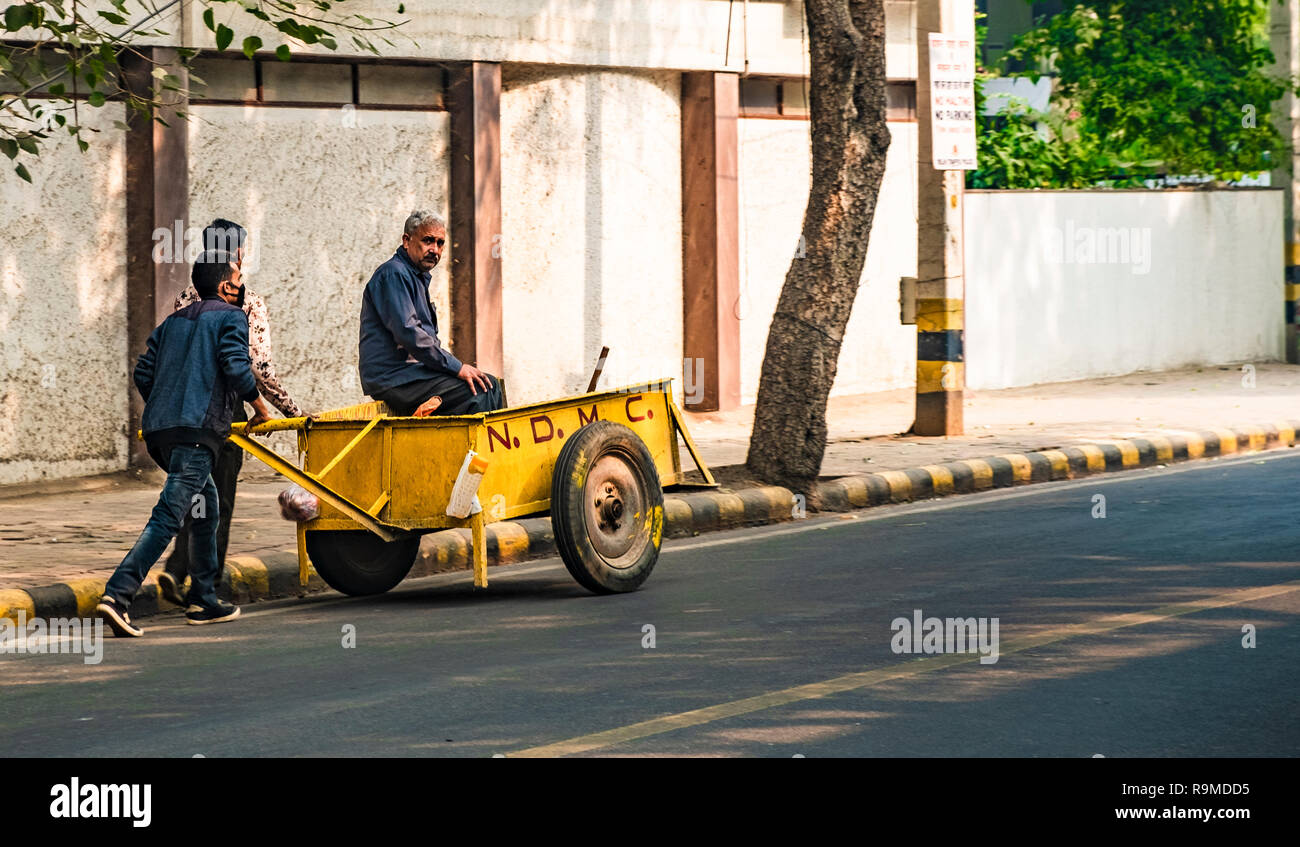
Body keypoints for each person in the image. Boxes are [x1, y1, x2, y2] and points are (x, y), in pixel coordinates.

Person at [96, 250, 273, 637]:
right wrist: (259, 408)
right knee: (168, 516)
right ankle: (118, 595)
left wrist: (165, 404)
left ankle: (204, 599)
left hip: (162, 433)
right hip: (197, 435)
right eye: (239, 278)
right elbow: (235, 364)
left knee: (205, 507)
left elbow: (144, 371)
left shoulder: (171, 323)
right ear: (227, 286)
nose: (243, 285)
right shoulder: (231, 317)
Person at [156, 219, 306, 608]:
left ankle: (177, 569)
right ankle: (206, 588)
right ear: (238, 254)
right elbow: (256, 366)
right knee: (218, 499)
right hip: (225, 412)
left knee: (192, 493)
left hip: (186, 409)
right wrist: (288, 410)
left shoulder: (184, 299)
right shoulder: (247, 303)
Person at [358, 210, 505, 416]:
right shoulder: (394, 274)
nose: (434, 249)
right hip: (393, 378)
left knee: (490, 385)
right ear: (407, 241)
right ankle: (471, 449)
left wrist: (453, 368)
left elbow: (427, 341)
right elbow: (409, 333)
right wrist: (457, 367)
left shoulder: (417, 277)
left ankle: (488, 448)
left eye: (440, 243)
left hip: (412, 375)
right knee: (480, 390)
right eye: (428, 241)